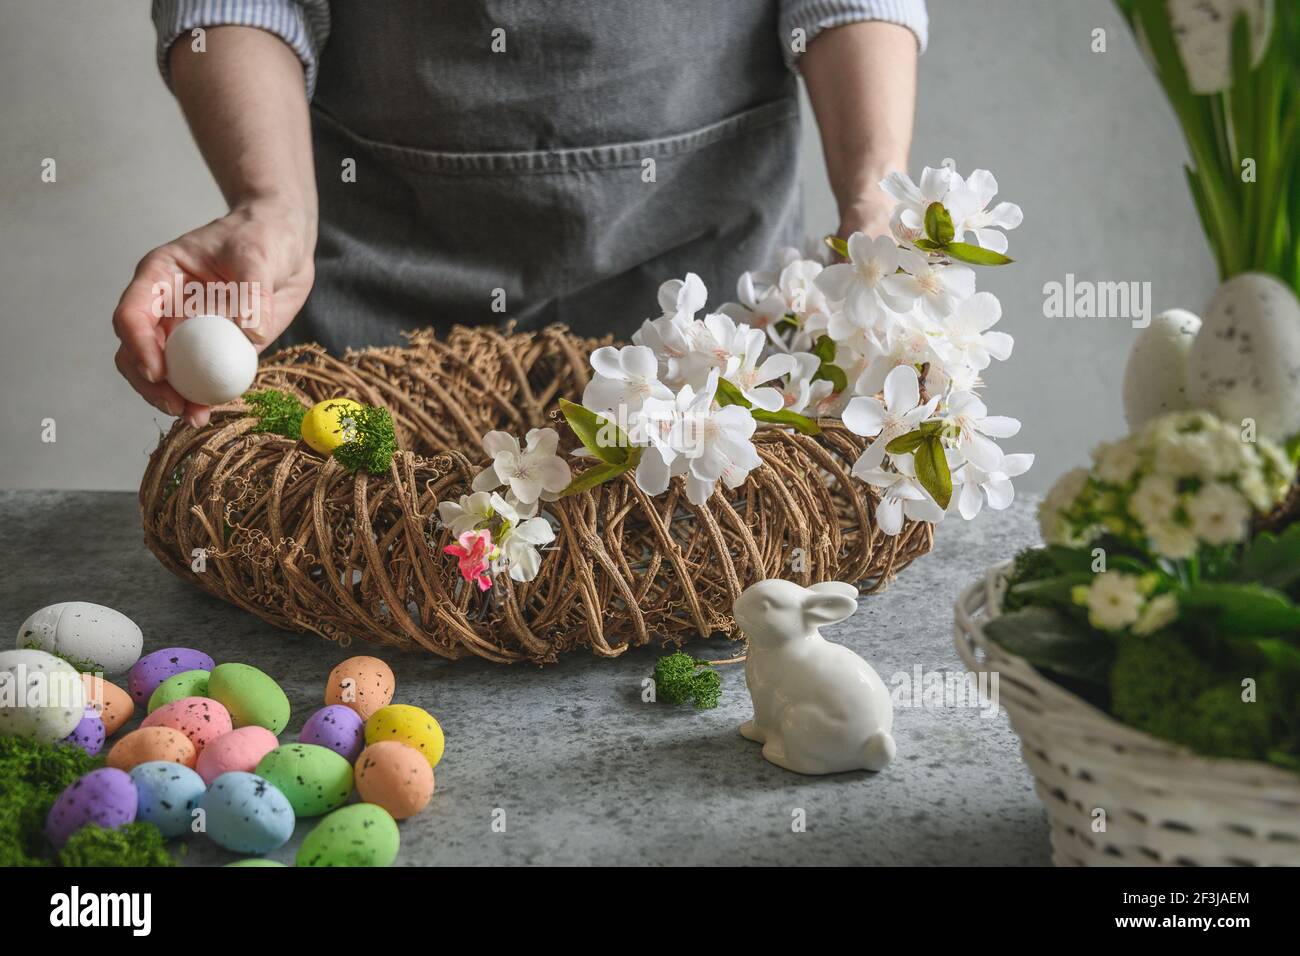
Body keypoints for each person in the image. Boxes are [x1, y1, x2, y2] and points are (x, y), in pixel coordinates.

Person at [116, 1, 926, 428]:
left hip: (709, 282)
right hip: (369, 269)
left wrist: (874, 205)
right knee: (368, 563)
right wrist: (271, 204)